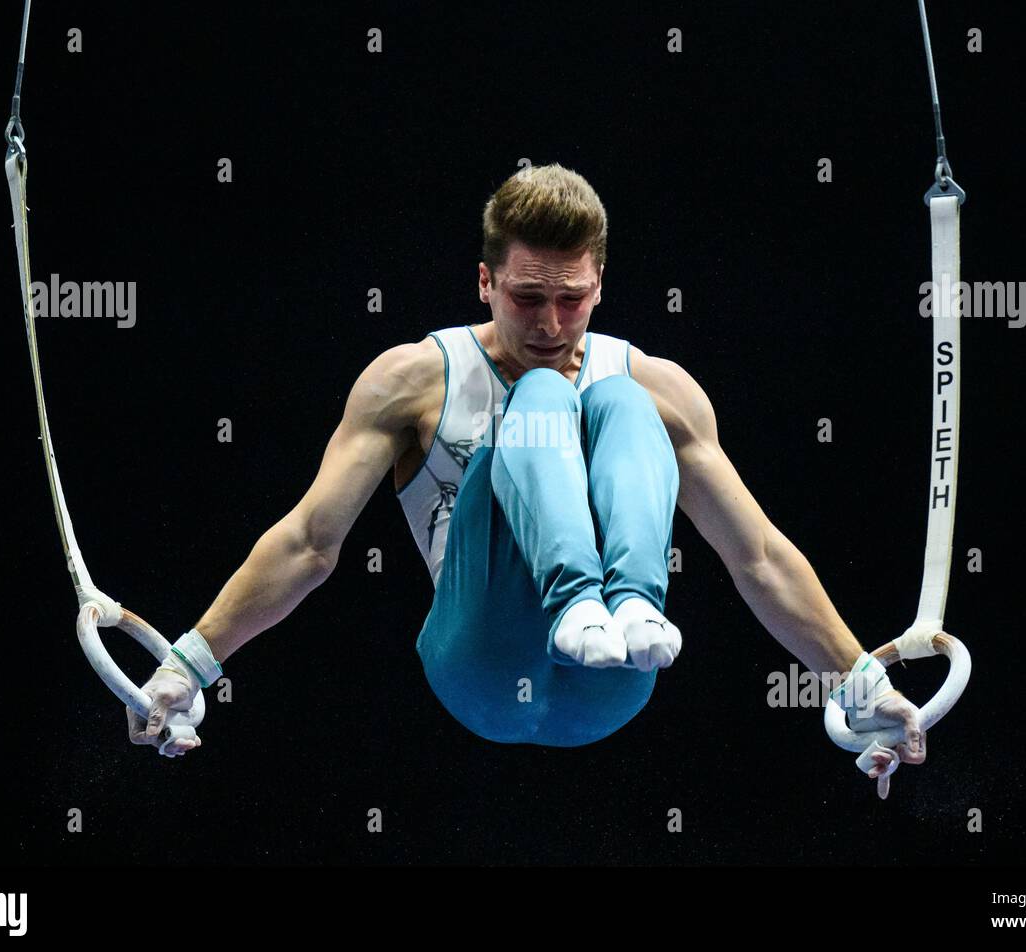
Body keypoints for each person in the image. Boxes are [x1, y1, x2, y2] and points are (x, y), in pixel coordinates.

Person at [128, 164, 927, 794]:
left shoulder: (657, 385)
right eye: (526, 296)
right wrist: (188, 663)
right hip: (477, 656)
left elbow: (756, 554)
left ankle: (628, 603)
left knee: (619, 394)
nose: (549, 324)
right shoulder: (412, 381)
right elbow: (308, 543)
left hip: (614, 681)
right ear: (484, 282)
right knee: (543, 394)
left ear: (601, 286)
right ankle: (576, 595)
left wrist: (860, 680)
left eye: (572, 300)